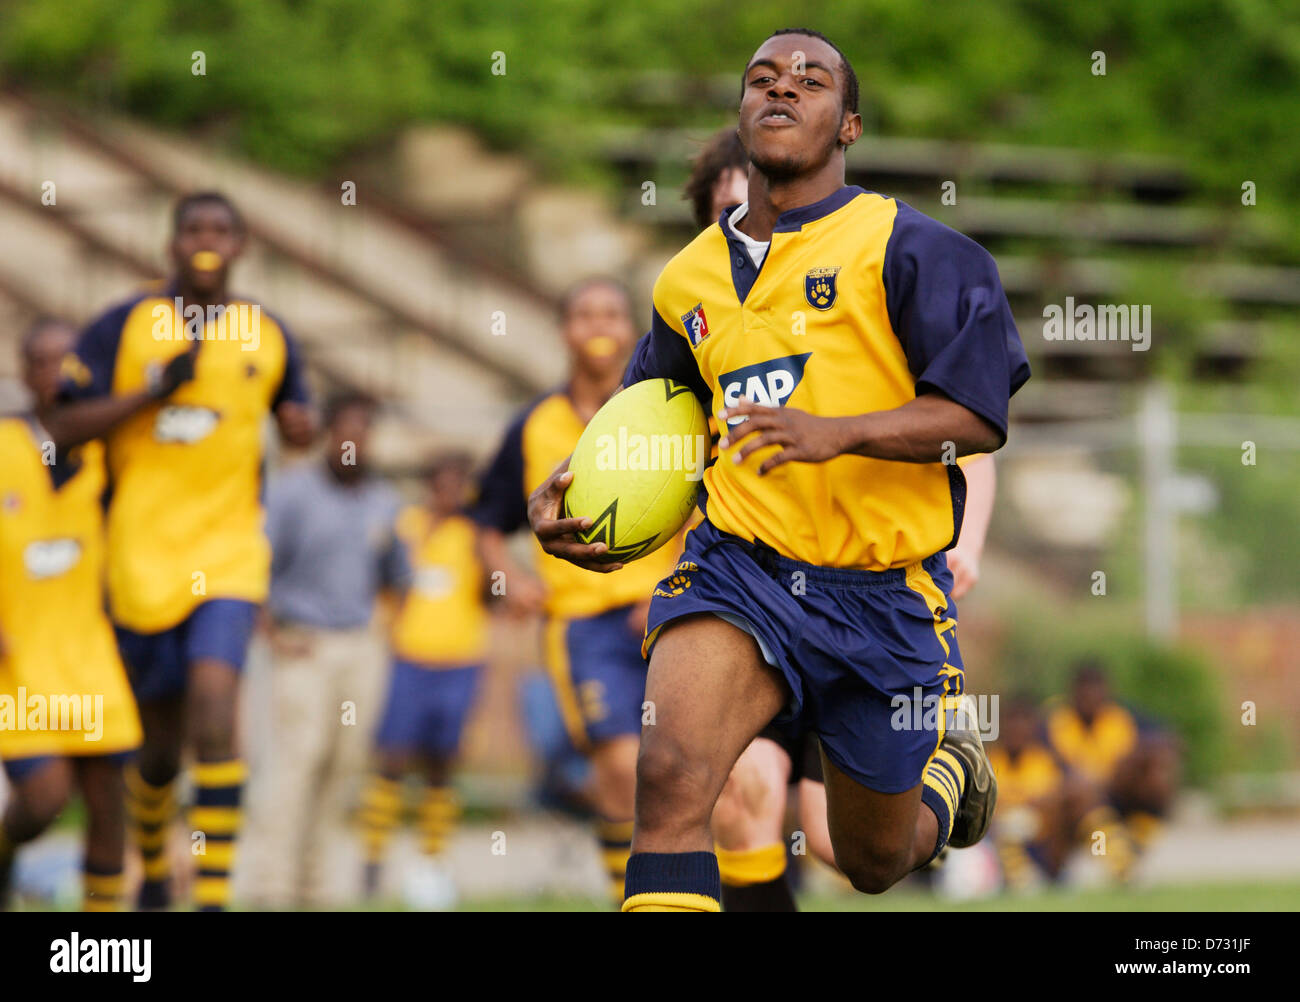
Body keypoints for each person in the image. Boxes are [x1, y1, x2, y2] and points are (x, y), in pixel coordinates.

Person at [528, 28, 1030, 910]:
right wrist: (579, 498)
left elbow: (976, 418)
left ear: (850, 126)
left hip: (882, 593)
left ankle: (948, 776)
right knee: (675, 776)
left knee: (872, 860)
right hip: (741, 570)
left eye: (811, 80)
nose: (783, 88)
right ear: (742, 111)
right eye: (763, 77)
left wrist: (838, 434)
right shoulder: (687, 281)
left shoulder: (913, 250)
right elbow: (654, 423)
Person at [686, 128, 1002, 910]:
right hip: (750, 599)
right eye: (728, 209)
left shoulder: (859, 289)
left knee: (854, 853)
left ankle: (950, 769)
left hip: (865, 600)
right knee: (744, 790)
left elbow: (969, 435)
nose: (751, 218)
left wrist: (969, 541)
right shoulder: (694, 310)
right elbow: (672, 470)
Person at [42, 192, 315, 910]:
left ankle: (213, 897)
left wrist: (300, 428)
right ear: (171, 245)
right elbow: (62, 426)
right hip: (138, 561)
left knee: (216, 705)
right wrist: (150, 394)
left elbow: (300, 418)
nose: (206, 241)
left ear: (240, 247)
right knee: (157, 751)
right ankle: (157, 868)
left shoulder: (269, 333)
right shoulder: (123, 327)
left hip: (229, 556)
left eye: (221, 229)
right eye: (193, 228)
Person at [470, 277, 682, 904]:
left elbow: (706, 508)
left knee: (685, 765)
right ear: (564, 330)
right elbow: (485, 522)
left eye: (612, 314)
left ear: (630, 330)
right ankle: (634, 899)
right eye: (583, 313)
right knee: (619, 766)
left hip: (668, 612)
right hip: (580, 626)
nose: (597, 324)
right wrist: (508, 579)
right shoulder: (534, 425)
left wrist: (670, 585)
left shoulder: (665, 412)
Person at [245, 392, 409, 909]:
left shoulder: (384, 501)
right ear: (328, 435)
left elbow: (399, 578)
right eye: (345, 431)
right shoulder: (293, 493)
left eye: (363, 432)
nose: (353, 442)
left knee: (343, 767)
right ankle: (272, 888)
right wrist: (271, 634)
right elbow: (256, 567)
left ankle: (314, 891)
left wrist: (383, 631)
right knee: (298, 760)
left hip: (360, 646)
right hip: (304, 644)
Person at [0, 318, 142, 911]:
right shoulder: (5, 446)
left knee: (109, 797)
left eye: (66, 361)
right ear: (24, 373)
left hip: (89, 652)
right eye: (42, 361)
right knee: (42, 799)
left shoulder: (108, 453)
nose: (55, 373)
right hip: (20, 658)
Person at [359, 452, 486, 909]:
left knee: (442, 765)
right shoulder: (406, 525)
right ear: (430, 486)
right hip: (409, 659)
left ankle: (434, 863)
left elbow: (492, 593)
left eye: (460, 486)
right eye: (444, 485)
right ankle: (372, 857)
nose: (452, 494)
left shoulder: (473, 534)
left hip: (460, 662)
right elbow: (385, 578)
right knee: (391, 760)